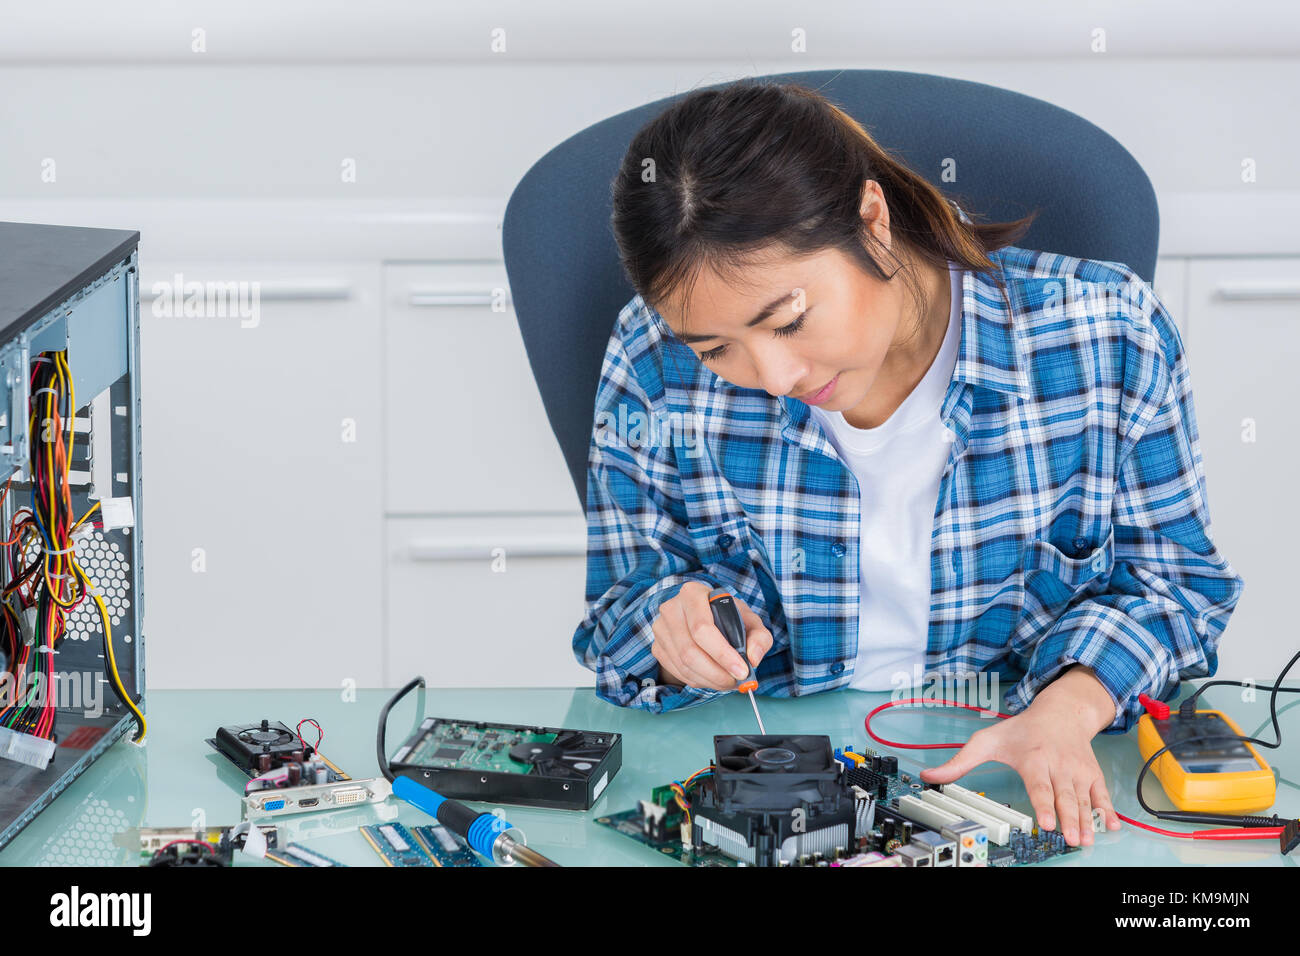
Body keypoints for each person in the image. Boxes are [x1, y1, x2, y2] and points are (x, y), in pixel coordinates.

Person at [571, 81, 1244, 848]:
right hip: (752, 790)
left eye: (789, 319)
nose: (776, 377)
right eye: (717, 349)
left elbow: (1176, 589)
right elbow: (616, 619)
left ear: (872, 219)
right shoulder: (652, 359)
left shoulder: (1108, 337)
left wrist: (1069, 708)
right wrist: (671, 621)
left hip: (1007, 775)